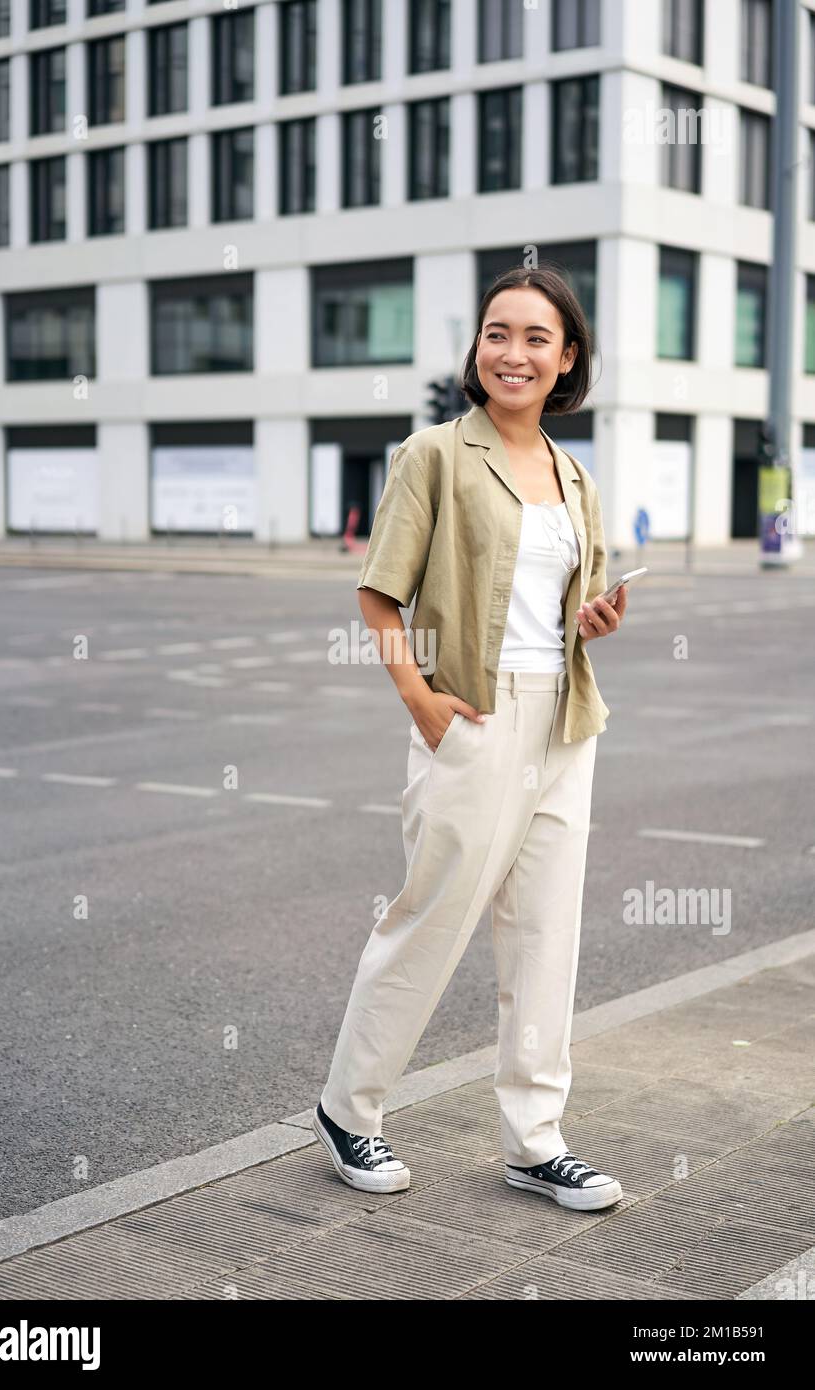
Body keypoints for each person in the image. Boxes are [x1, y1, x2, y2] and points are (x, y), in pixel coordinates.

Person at [314, 265, 628, 1212]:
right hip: (473, 714)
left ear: (567, 358)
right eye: (499, 333)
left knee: (545, 936)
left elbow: (560, 607)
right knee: (432, 916)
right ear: (478, 349)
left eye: (537, 337)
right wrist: (418, 696)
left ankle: (535, 1141)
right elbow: (379, 591)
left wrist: (595, 621)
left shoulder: (574, 477)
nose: (515, 352)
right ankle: (349, 1109)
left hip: (566, 720)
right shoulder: (436, 456)